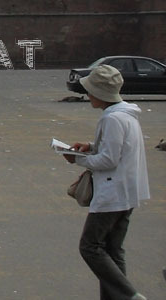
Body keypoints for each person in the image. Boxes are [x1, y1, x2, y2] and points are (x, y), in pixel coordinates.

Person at [64, 64, 150, 300]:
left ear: (100, 93)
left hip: (113, 192)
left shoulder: (112, 119)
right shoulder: (127, 114)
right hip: (128, 191)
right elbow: (120, 148)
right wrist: (90, 147)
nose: (88, 95)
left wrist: (78, 159)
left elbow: (109, 159)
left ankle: (129, 295)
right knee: (113, 250)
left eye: (90, 91)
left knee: (90, 246)